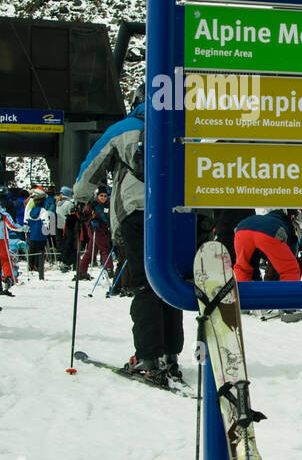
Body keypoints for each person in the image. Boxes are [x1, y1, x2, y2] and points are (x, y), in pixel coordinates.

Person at [74, 100, 183, 384]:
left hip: (137, 210)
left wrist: (81, 197)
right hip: (176, 212)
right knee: (170, 282)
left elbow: (92, 165)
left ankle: (148, 358)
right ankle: (171, 356)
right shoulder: (181, 125)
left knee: (145, 282)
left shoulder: (124, 128)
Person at [233, 210, 301, 282]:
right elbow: (292, 250)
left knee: (243, 268)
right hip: (270, 233)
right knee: (290, 270)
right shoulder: (288, 223)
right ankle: (289, 292)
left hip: (241, 230)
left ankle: (240, 291)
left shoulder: (267, 218)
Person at [77, 187, 114, 280]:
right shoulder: (93, 204)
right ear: (97, 196)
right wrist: (91, 220)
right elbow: (84, 215)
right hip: (95, 229)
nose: (103, 198)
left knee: (91, 251)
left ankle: (81, 271)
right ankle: (108, 268)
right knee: (105, 248)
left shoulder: (108, 204)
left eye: (105, 196)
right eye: (101, 196)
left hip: (103, 229)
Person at [23, 188, 50, 280]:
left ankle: (30, 266)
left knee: (32, 250)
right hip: (41, 235)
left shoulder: (30, 211)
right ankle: (39, 267)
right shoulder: (44, 211)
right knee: (40, 250)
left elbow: (26, 222)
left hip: (32, 234)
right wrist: (47, 232)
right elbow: (46, 223)